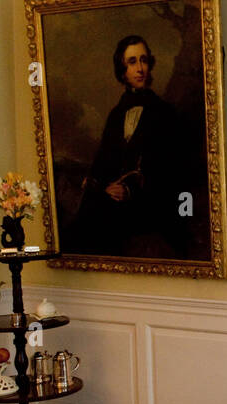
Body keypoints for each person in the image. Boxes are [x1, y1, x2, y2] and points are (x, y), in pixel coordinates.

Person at [66, 35, 188, 258]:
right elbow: (104, 160)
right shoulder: (116, 114)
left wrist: (130, 191)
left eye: (144, 60)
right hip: (115, 198)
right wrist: (100, 185)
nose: (140, 68)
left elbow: (171, 170)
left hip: (149, 201)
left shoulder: (164, 113)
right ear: (122, 70)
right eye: (132, 62)